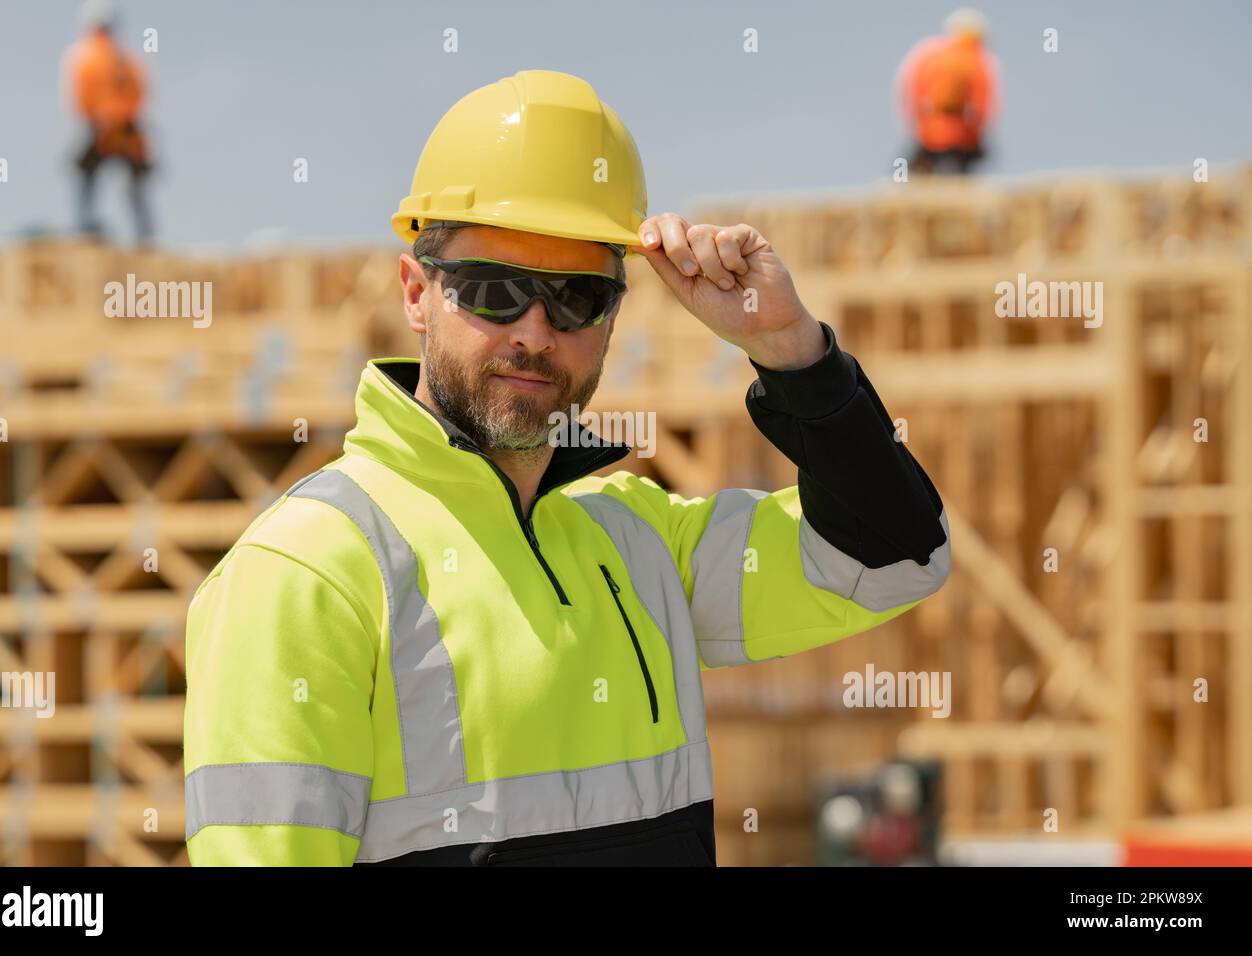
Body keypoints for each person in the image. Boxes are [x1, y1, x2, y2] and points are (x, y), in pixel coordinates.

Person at [182, 69, 951, 866]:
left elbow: (897, 557)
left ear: (616, 312)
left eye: (577, 297)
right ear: (416, 292)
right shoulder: (306, 574)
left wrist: (791, 351)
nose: (536, 332)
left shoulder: (639, 544)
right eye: (492, 290)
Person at [62, 0, 153, 242]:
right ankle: (144, 234)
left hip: (102, 126)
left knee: (88, 178)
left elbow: (80, 96)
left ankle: (85, 224)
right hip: (123, 127)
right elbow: (140, 93)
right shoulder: (125, 58)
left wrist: (99, 119)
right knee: (132, 184)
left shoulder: (83, 57)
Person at [896, 8, 1000, 175]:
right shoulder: (976, 61)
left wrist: (919, 125)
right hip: (962, 136)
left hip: (928, 132)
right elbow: (982, 106)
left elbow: (911, 91)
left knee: (916, 173)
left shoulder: (930, 56)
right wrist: (975, 135)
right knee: (959, 173)